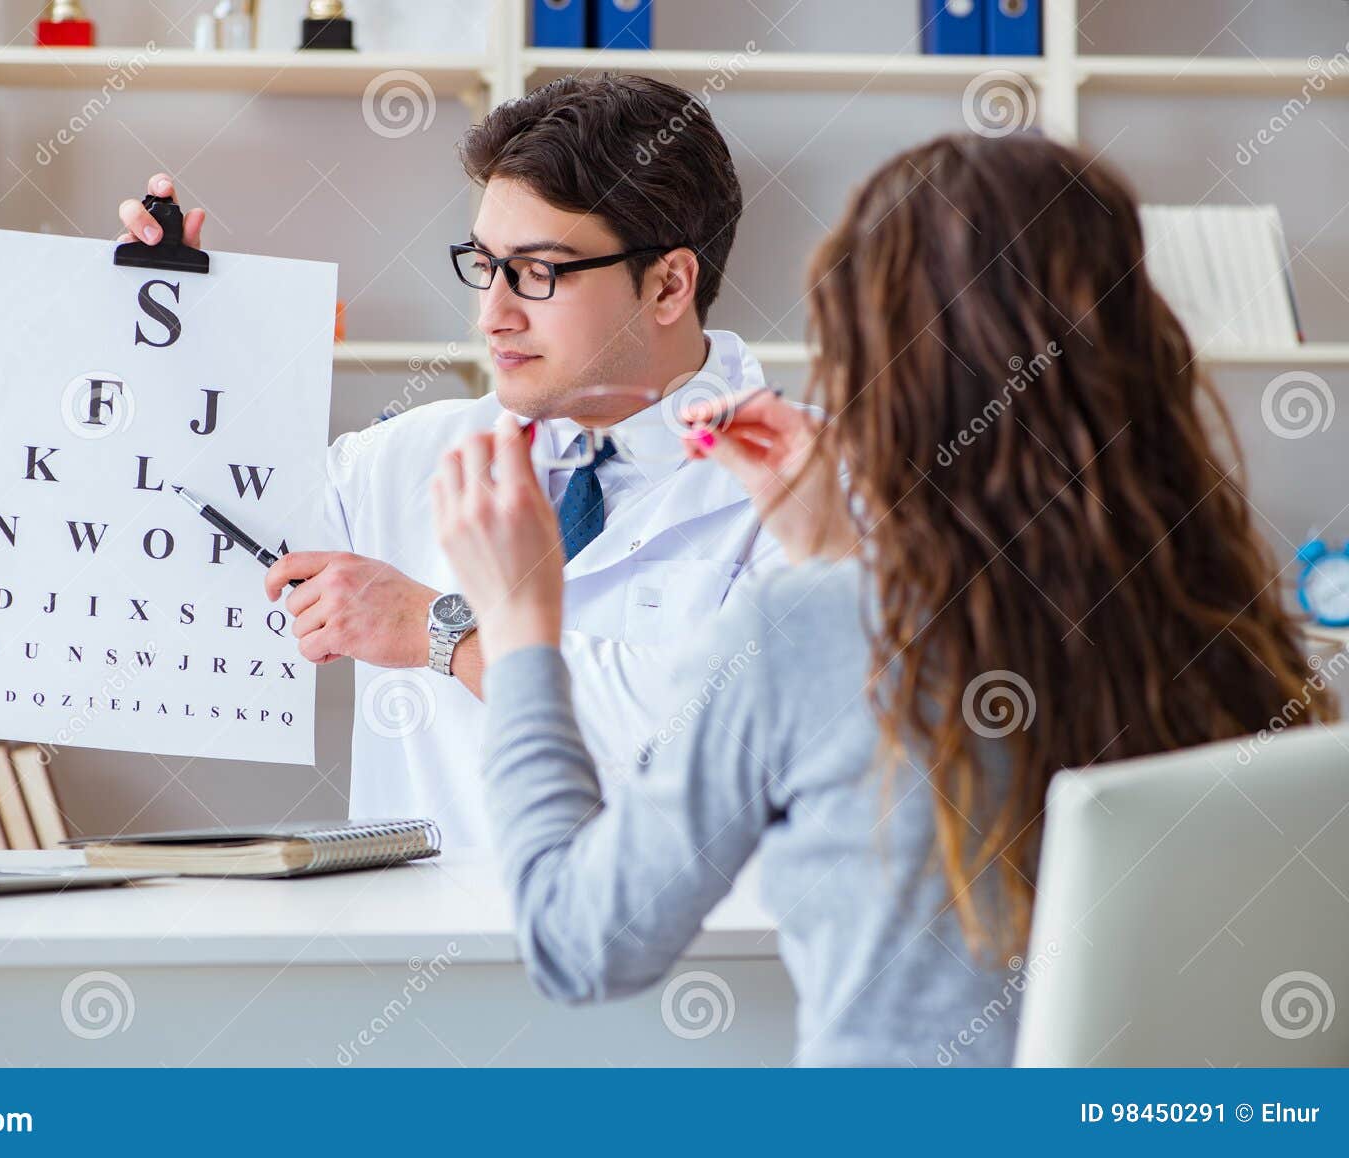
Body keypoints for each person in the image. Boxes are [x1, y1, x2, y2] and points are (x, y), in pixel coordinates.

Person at [431, 131, 1333, 1065]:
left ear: (883, 370)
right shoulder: (1234, 629)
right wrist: (833, 551)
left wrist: (516, 627)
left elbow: (580, 947)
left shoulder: (808, 636)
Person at [118, 76, 785, 845]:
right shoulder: (405, 460)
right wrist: (168, 330)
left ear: (668, 284)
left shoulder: (812, 493)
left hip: (681, 963)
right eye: (484, 263)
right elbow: (182, 524)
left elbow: (722, 747)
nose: (492, 314)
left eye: (538, 273)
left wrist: (446, 633)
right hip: (409, 955)